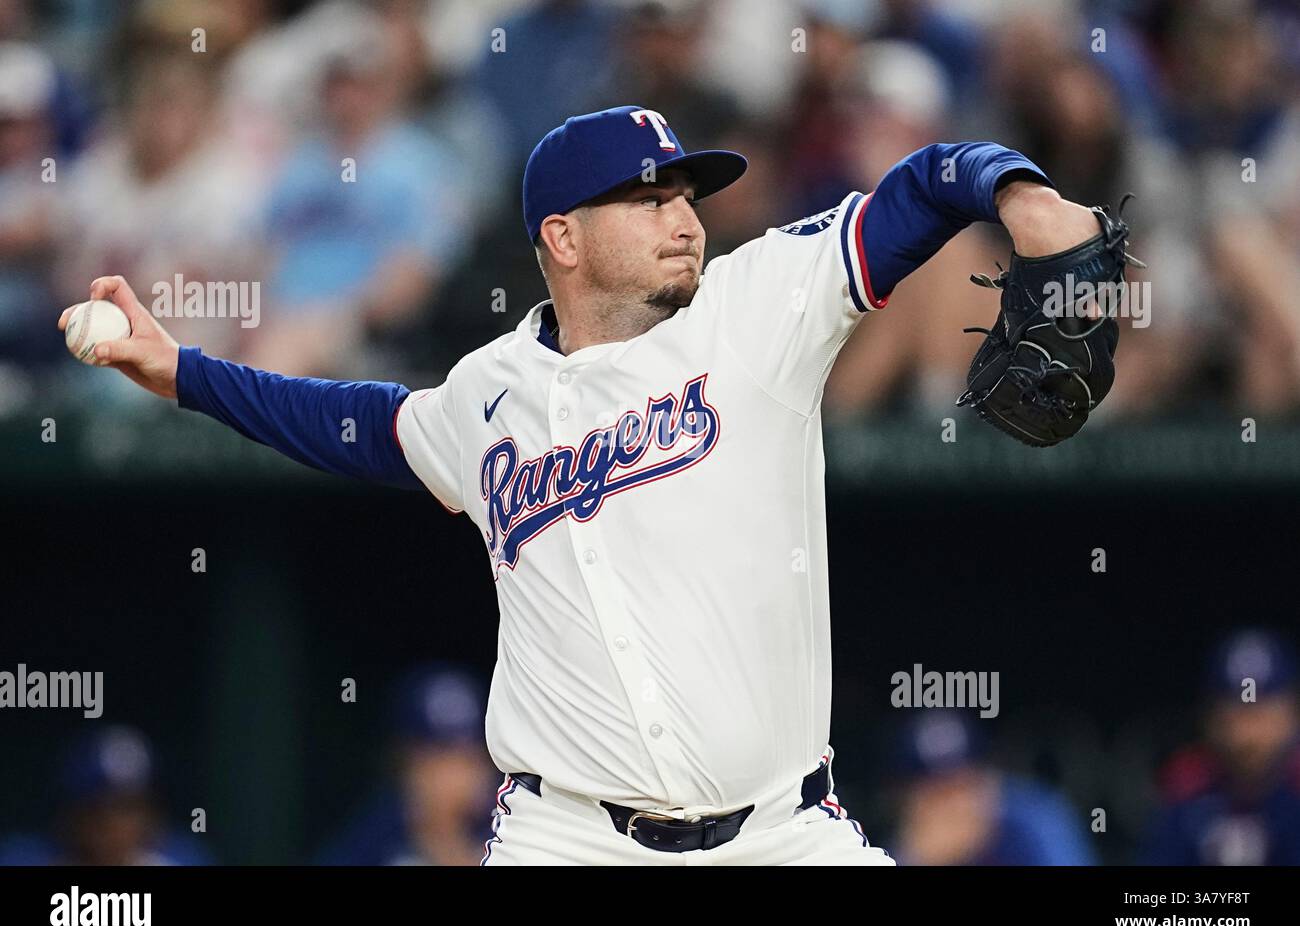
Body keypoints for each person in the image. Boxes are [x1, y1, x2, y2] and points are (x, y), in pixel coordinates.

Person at [58, 105, 1110, 865]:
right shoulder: (485, 394)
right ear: (561, 237)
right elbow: (350, 424)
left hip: (784, 836)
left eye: (686, 194)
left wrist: (1019, 192)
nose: (684, 216)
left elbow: (923, 185)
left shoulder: (758, 303)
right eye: (647, 199)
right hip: (566, 837)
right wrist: (179, 371)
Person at [1140, 629, 1300, 865]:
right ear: (1210, 719)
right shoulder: (1188, 792)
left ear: (1292, 715)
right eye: (1233, 717)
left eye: (1259, 717)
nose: (1246, 737)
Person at [315, 665, 494, 866]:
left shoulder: (510, 822)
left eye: (467, 760)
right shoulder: (379, 832)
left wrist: (446, 839)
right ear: (404, 765)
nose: (453, 776)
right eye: (435, 762)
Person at [889, 711, 1095, 866]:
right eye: (936, 792)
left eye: (962, 785)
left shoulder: (1035, 816)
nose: (953, 804)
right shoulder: (903, 847)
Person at [0, 725, 210, 866]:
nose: (114, 825)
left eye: (129, 808)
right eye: (99, 809)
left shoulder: (183, 859)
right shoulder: (23, 859)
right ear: (72, 814)